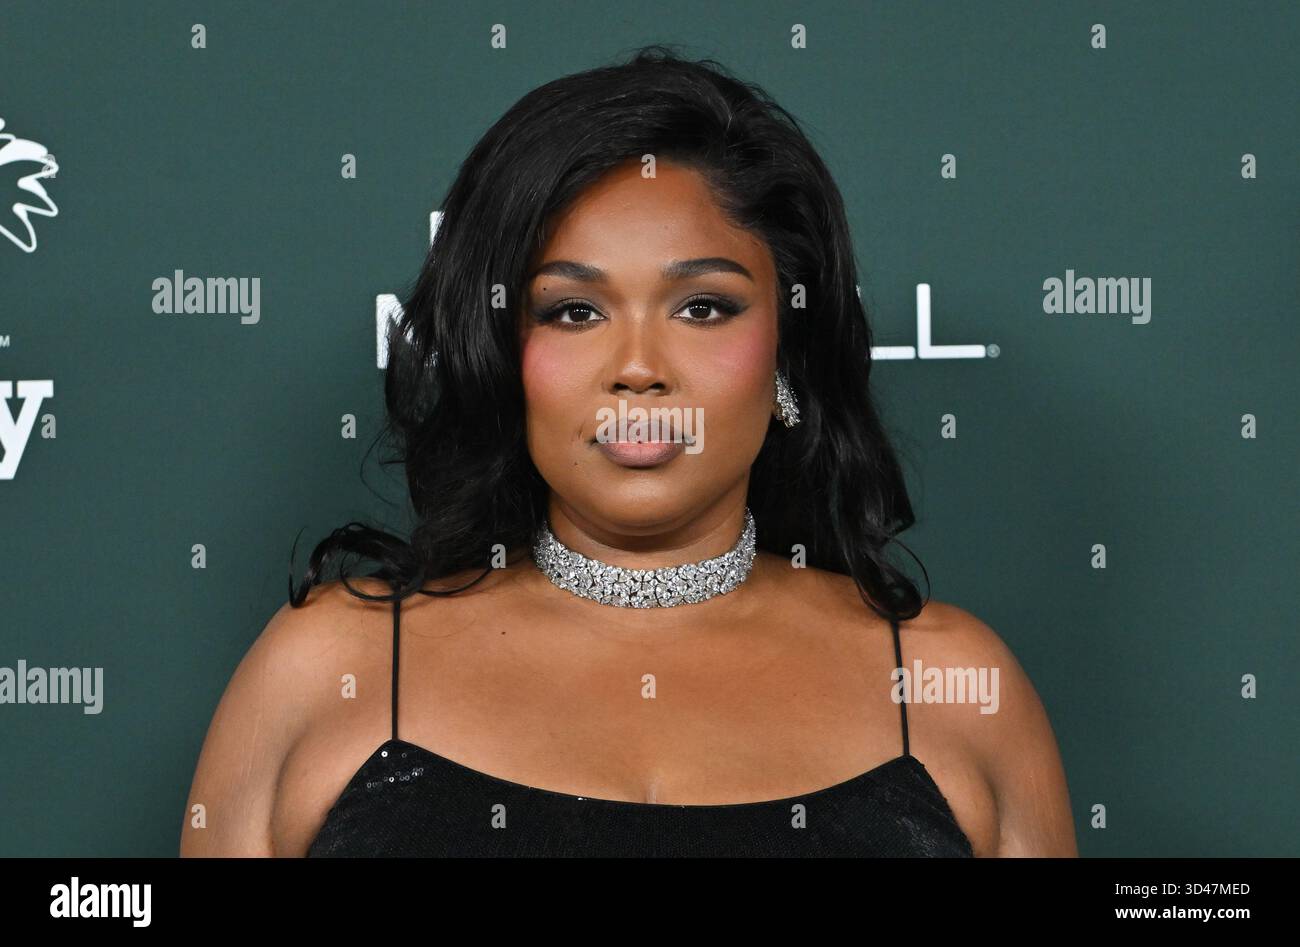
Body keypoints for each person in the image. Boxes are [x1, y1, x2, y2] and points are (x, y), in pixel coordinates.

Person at [181, 45, 1076, 857]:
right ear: (504, 357)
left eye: (703, 308)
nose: (639, 369)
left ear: (787, 351)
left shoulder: (950, 686)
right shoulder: (330, 666)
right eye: (574, 310)